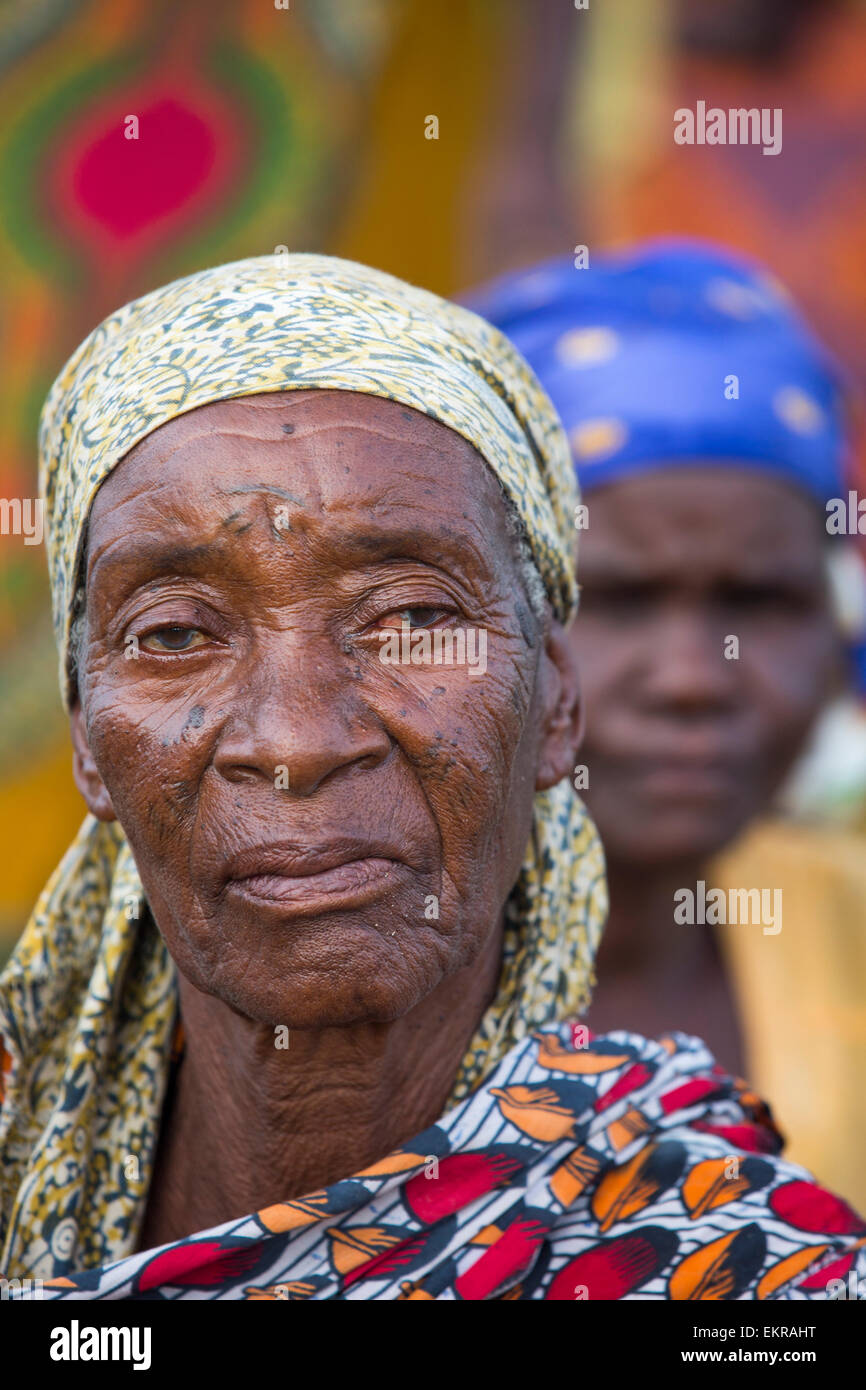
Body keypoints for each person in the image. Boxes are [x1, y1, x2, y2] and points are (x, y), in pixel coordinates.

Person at [1, 252, 863, 1301]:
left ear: (554, 695)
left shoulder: (743, 1278)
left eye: (413, 617)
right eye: (175, 630)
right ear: (85, 731)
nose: (296, 739)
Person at [466, 238, 866, 1211]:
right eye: (615, 598)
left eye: (758, 599)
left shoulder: (846, 927)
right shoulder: (311, 973)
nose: (692, 679)